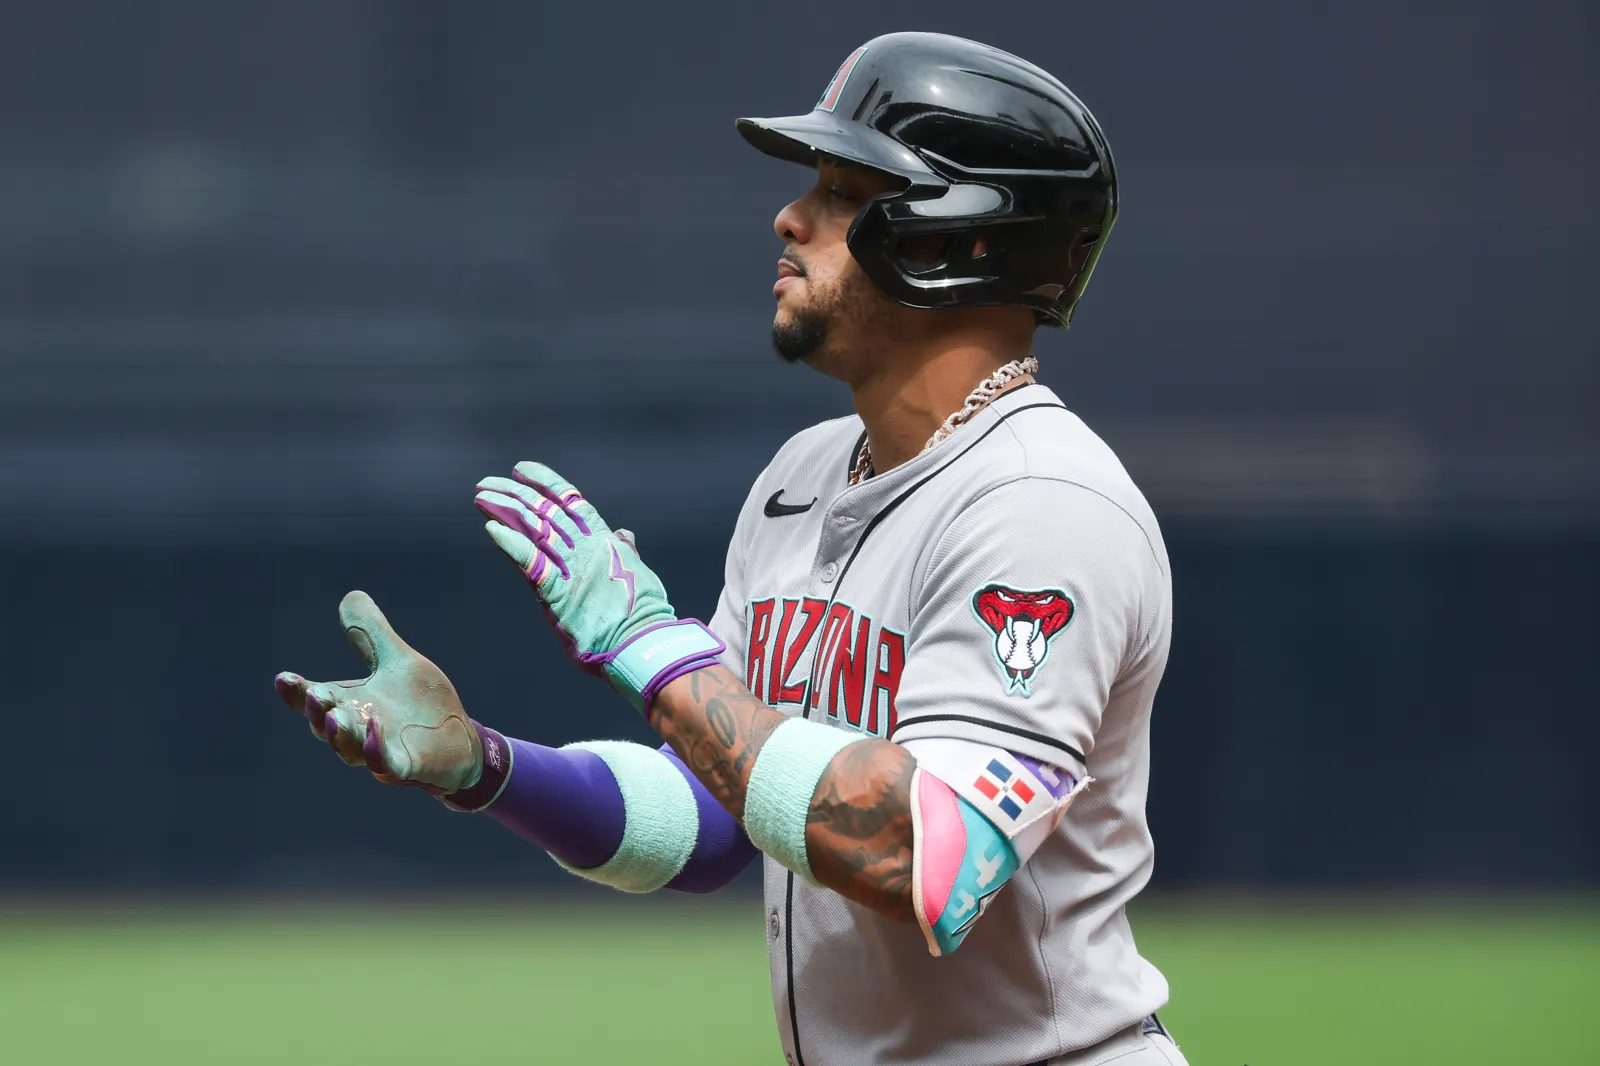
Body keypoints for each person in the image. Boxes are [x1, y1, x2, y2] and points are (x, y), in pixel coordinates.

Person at [274, 31, 1186, 1066]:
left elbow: (929, 857)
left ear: (956, 240)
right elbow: (715, 815)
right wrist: (486, 766)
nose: (790, 218)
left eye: (844, 192)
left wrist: (651, 651)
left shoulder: (1039, 503)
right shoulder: (806, 472)